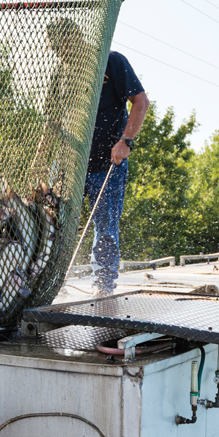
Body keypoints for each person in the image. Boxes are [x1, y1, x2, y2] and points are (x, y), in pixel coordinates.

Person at [84, 50, 149, 295]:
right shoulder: (65, 73)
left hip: (107, 161)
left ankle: (103, 286)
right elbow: (53, 122)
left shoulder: (111, 61)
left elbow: (141, 101)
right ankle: (54, 280)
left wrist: (126, 141)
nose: (65, 54)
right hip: (72, 166)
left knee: (105, 225)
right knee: (56, 223)